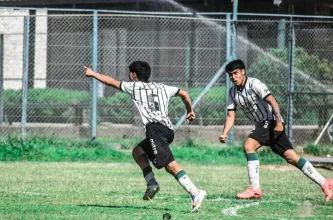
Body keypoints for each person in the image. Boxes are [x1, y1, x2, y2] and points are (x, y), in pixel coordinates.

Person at [84, 61, 206, 212]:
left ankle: (196, 193)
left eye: (130, 73)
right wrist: (190, 111)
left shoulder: (135, 87)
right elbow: (184, 93)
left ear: (134, 75)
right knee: (138, 152)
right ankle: (151, 183)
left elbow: (112, 82)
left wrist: (92, 74)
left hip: (156, 130)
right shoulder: (162, 87)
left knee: (170, 165)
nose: (128, 76)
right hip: (167, 129)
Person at [219, 59, 333, 201]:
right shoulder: (232, 92)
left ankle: (255, 189)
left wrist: (279, 122)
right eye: (230, 75)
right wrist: (224, 133)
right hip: (263, 126)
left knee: (249, 146)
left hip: (271, 121)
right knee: (291, 157)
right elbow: (231, 115)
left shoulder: (254, 84)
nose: (233, 77)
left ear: (243, 72)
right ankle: (325, 183)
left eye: (235, 73)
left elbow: (273, 101)